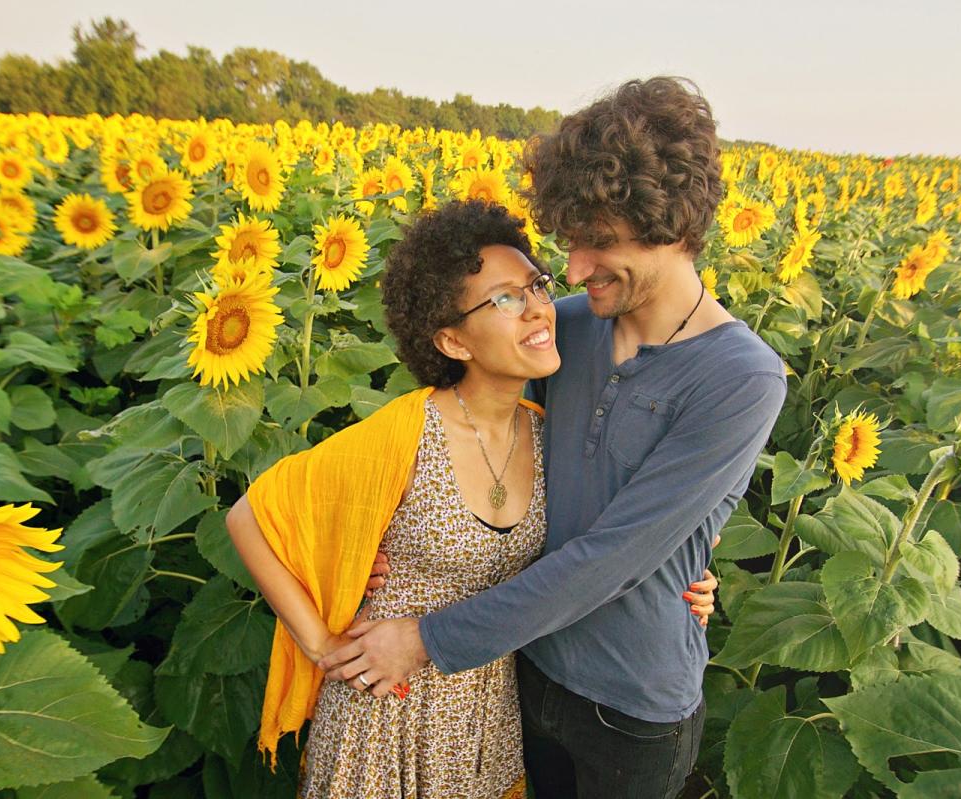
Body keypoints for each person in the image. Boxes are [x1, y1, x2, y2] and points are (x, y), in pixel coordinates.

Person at [318, 77, 788, 798]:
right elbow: (463, 433)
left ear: (676, 228)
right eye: (569, 243)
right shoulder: (563, 325)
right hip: (523, 667)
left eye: (599, 243)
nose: (572, 271)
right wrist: (378, 533)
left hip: (629, 705)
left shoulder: (741, 377)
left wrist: (423, 638)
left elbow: (613, 559)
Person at [226, 200, 718, 799]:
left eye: (535, 285)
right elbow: (249, 514)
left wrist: (686, 573)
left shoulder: (545, 432)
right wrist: (321, 643)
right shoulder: (404, 435)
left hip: (488, 715)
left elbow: (609, 534)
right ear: (453, 341)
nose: (539, 306)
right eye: (506, 299)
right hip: (386, 714)